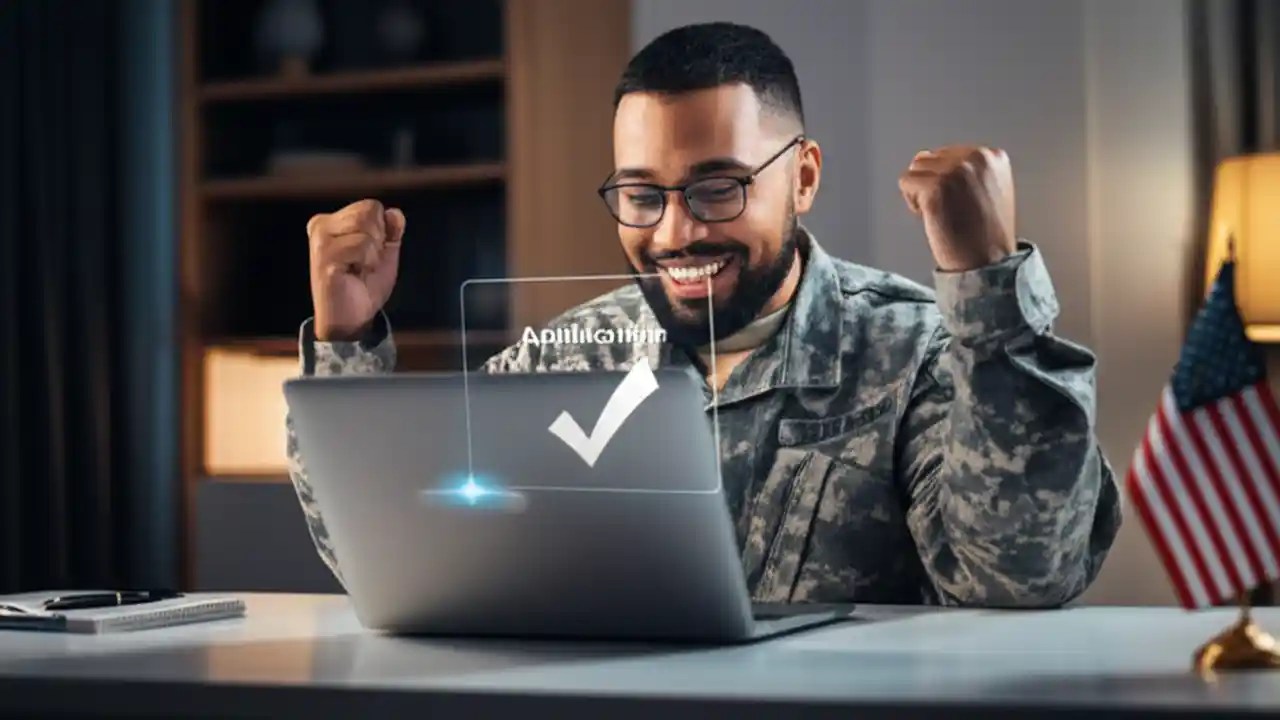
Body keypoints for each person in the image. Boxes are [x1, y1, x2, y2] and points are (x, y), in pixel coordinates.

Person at [288, 22, 1121, 607]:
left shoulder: (917, 353)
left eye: (718, 188)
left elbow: (1023, 577)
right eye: (642, 195)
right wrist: (346, 338)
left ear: (802, 178)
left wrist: (986, 284)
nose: (676, 233)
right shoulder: (571, 357)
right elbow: (398, 561)